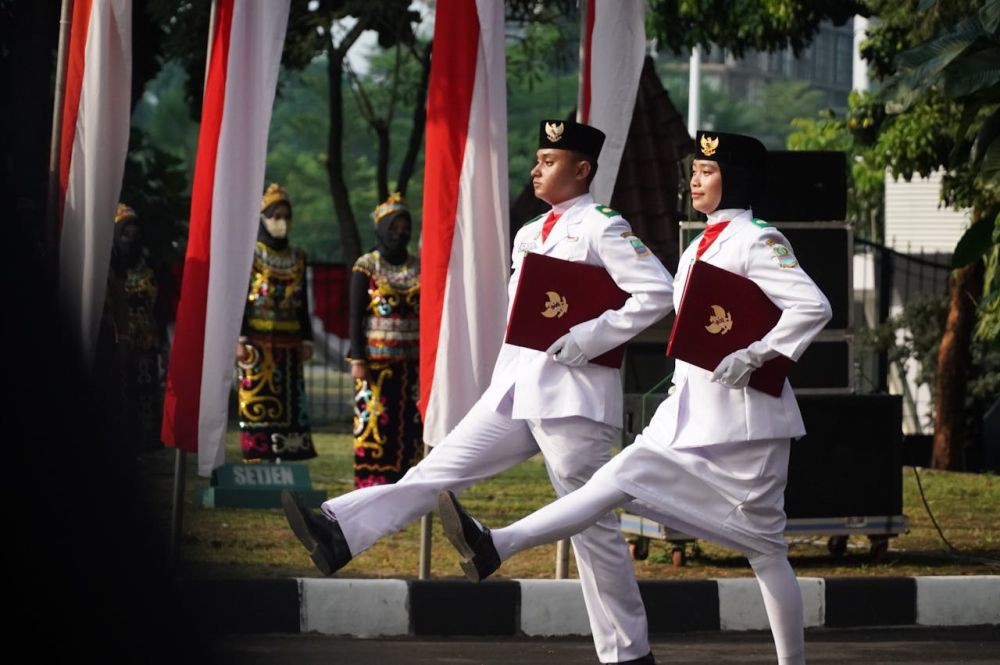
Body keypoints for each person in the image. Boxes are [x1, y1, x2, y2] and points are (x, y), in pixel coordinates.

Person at [281, 120, 675, 665]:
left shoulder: (603, 226)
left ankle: (629, 654)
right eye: (536, 158)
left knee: (590, 524)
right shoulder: (531, 232)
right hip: (516, 388)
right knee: (438, 470)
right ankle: (338, 530)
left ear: (582, 170)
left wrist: (588, 338)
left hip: (574, 397)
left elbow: (657, 291)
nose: (536, 169)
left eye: (549, 160)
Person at [438, 130, 832, 665]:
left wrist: (759, 353)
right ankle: (496, 544)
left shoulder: (758, 240)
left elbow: (812, 307)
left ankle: (793, 663)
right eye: (693, 171)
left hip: (746, 426)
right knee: (610, 482)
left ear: (735, 179)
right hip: (685, 416)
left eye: (708, 172)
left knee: (765, 550)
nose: (694, 180)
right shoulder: (699, 243)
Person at [236, 183, 317, 462]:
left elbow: (303, 301)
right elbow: (241, 298)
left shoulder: (298, 257)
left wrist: (307, 339)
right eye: (275, 216)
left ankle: (287, 457)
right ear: (264, 218)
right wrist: (240, 337)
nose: (281, 221)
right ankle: (258, 456)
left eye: (286, 216)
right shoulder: (251, 253)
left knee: (289, 403)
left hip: (290, 342)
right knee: (259, 401)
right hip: (256, 343)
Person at [349, 193, 422, 488]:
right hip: (375, 361)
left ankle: (407, 478)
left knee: (408, 421)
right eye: (394, 226)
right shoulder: (365, 266)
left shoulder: (419, 266)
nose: (400, 232)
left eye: (405, 226)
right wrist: (357, 358)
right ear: (381, 228)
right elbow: (354, 316)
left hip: (413, 361)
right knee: (377, 419)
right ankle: (374, 477)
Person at [101, 203, 167, 453]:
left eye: (135, 233)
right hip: (116, 343)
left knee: (146, 395)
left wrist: (163, 342)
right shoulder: (107, 267)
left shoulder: (149, 266)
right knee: (120, 394)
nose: (131, 238)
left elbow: (160, 306)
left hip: (147, 340)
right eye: (125, 233)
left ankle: (147, 442)